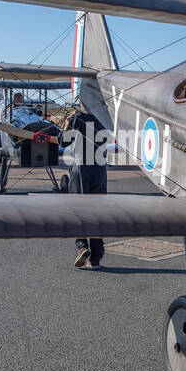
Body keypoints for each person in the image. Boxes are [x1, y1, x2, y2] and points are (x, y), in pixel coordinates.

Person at [62, 108, 107, 268]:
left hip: (81, 166)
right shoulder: (104, 114)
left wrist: (68, 122)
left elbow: (63, 141)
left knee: (79, 207)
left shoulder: (77, 117)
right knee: (97, 211)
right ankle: (96, 256)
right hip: (100, 167)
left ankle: (82, 245)